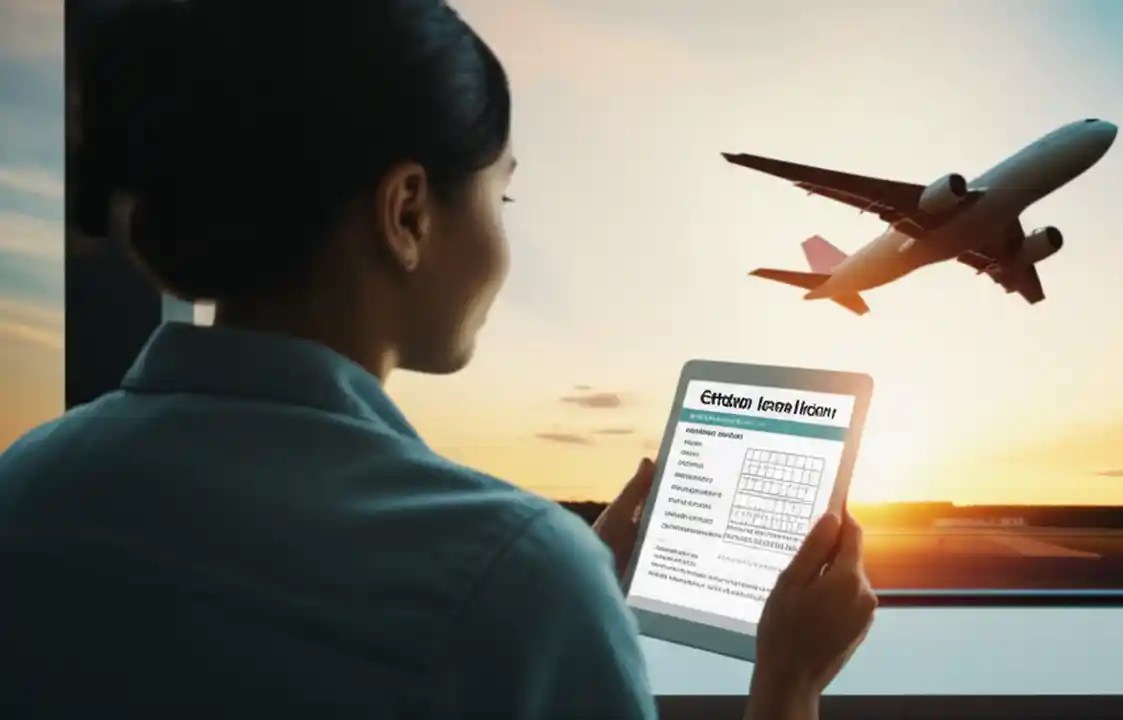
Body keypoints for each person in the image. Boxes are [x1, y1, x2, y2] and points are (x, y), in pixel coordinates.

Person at [0, 1, 878, 716]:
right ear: (408, 213)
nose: (506, 242)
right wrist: (788, 683)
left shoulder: (27, 485)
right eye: (505, 191)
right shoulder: (514, 580)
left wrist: (572, 580)